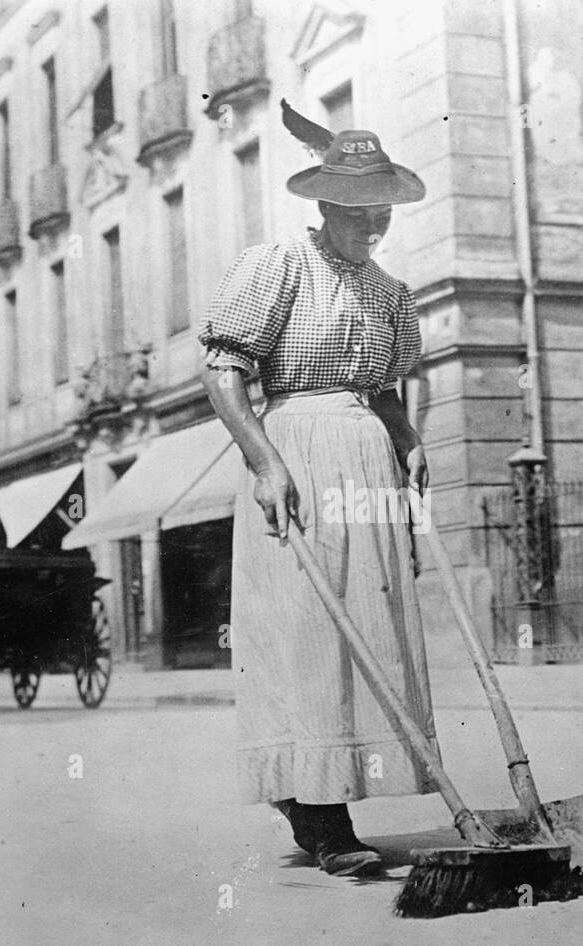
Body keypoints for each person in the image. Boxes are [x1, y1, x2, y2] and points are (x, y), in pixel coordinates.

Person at [199, 111, 439, 878]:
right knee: (307, 627)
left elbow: (387, 390)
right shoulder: (276, 266)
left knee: (370, 620)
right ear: (326, 205)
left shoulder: (393, 294)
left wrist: (407, 439)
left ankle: (333, 794)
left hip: (366, 458)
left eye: (382, 212)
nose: (373, 225)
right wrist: (266, 463)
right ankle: (317, 813)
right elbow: (223, 372)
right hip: (296, 453)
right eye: (359, 211)